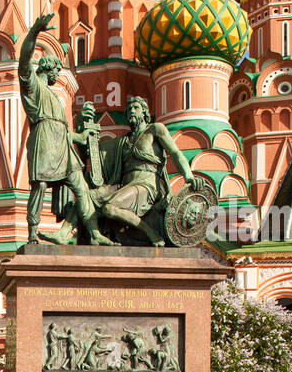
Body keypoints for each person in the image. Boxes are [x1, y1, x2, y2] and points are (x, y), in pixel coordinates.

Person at [18, 13, 110, 245]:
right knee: (39, 185)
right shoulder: (32, 85)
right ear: (48, 69)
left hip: (63, 145)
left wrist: (79, 136)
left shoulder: (53, 97)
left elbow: (64, 131)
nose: (58, 76)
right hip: (44, 142)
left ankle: (94, 232)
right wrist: (34, 32)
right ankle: (32, 232)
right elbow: (24, 59)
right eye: (56, 72)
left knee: (80, 186)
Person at [94, 95, 205, 247]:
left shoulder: (155, 129)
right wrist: (85, 129)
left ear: (144, 112)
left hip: (146, 184)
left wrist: (189, 176)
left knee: (109, 208)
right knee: (88, 196)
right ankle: (67, 234)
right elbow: (98, 150)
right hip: (123, 184)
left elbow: (176, 154)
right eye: (128, 110)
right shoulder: (123, 141)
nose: (131, 111)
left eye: (136, 108)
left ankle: (150, 232)